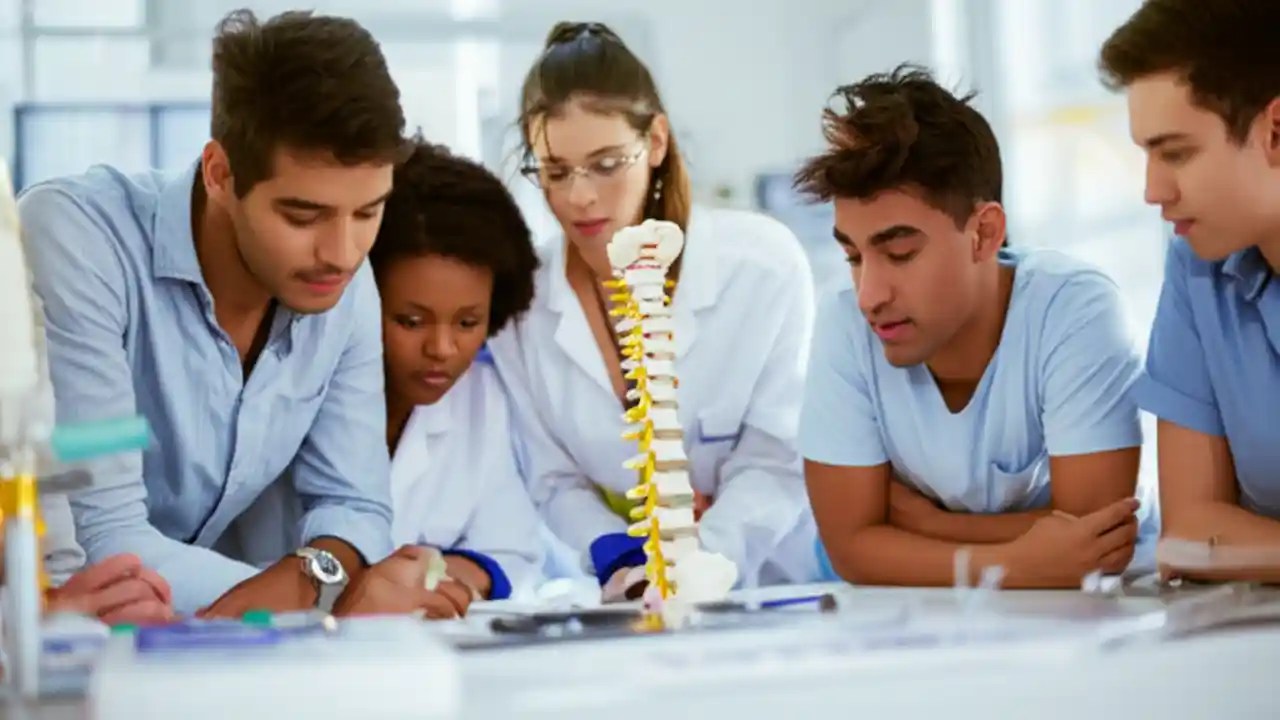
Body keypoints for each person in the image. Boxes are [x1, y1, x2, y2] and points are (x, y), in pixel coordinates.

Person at [19, 9, 428, 617]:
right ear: (219, 174)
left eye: (368, 212)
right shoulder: (79, 241)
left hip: (189, 635)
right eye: (302, 216)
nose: (342, 252)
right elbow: (103, 539)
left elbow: (355, 507)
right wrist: (320, 601)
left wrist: (310, 581)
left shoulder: (344, 285)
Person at [488, 21, 819, 602]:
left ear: (657, 142)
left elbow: (775, 458)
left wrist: (702, 560)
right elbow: (553, 478)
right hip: (625, 594)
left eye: (607, 164)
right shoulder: (523, 303)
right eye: (555, 171)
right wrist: (625, 559)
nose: (579, 196)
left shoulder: (762, 267)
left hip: (768, 591)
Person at [796, 64, 1153, 588]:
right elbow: (850, 549)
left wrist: (929, 526)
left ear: (984, 234)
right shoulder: (844, 322)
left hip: (1105, 609)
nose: (870, 296)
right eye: (853, 256)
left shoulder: (1074, 309)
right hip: (932, 616)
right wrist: (1019, 563)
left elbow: (1097, 538)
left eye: (900, 253)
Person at [226, 139, 546, 610]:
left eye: (467, 322)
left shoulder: (482, 399)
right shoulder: (289, 386)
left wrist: (435, 579)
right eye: (410, 321)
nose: (442, 349)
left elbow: (509, 549)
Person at [1098, 0, 1280, 582]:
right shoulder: (1198, 268)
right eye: (1147, 155)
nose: (1153, 191)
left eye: (1176, 153)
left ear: (1275, 133)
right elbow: (1188, 535)